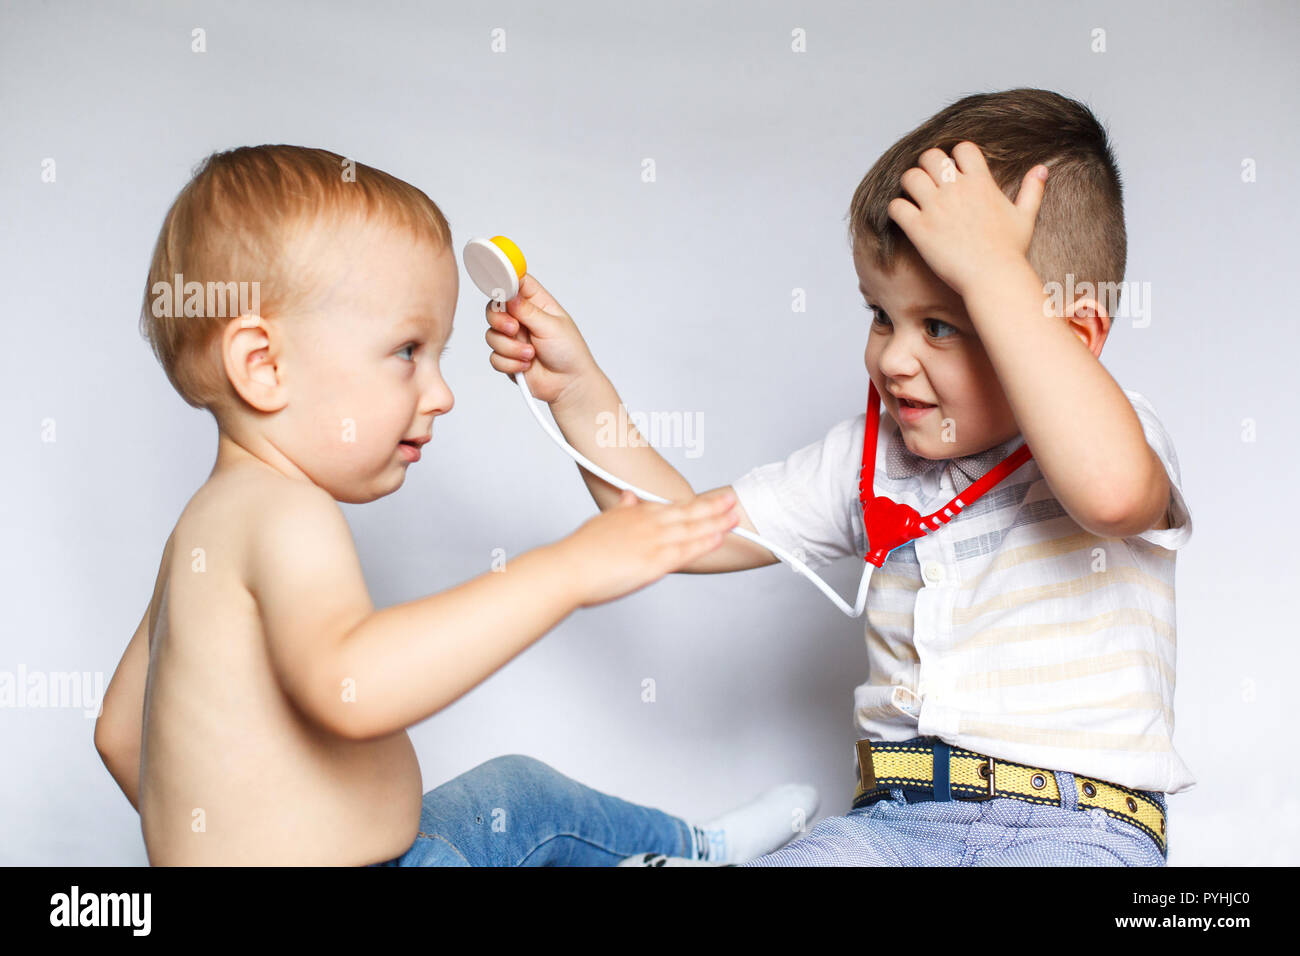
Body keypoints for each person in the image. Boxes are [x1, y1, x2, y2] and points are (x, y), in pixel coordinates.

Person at [484, 89, 1192, 866]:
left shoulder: (1118, 429)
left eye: (944, 324)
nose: (892, 357)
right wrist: (582, 395)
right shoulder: (871, 457)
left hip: (1075, 831)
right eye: (882, 315)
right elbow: (679, 532)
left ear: (1072, 331)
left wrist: (995, 273)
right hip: (888, 828)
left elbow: (1112, 493)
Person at [93, 144, 817, 866]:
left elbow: (121, 733)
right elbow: (353, 686)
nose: (441, 394)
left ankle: (695, 850)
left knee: (517, 795)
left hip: (403, 852)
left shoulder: (203, 529)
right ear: (264, 365)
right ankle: (688, 851)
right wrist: (567, 570)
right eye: (408, 351)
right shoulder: (285, 515)